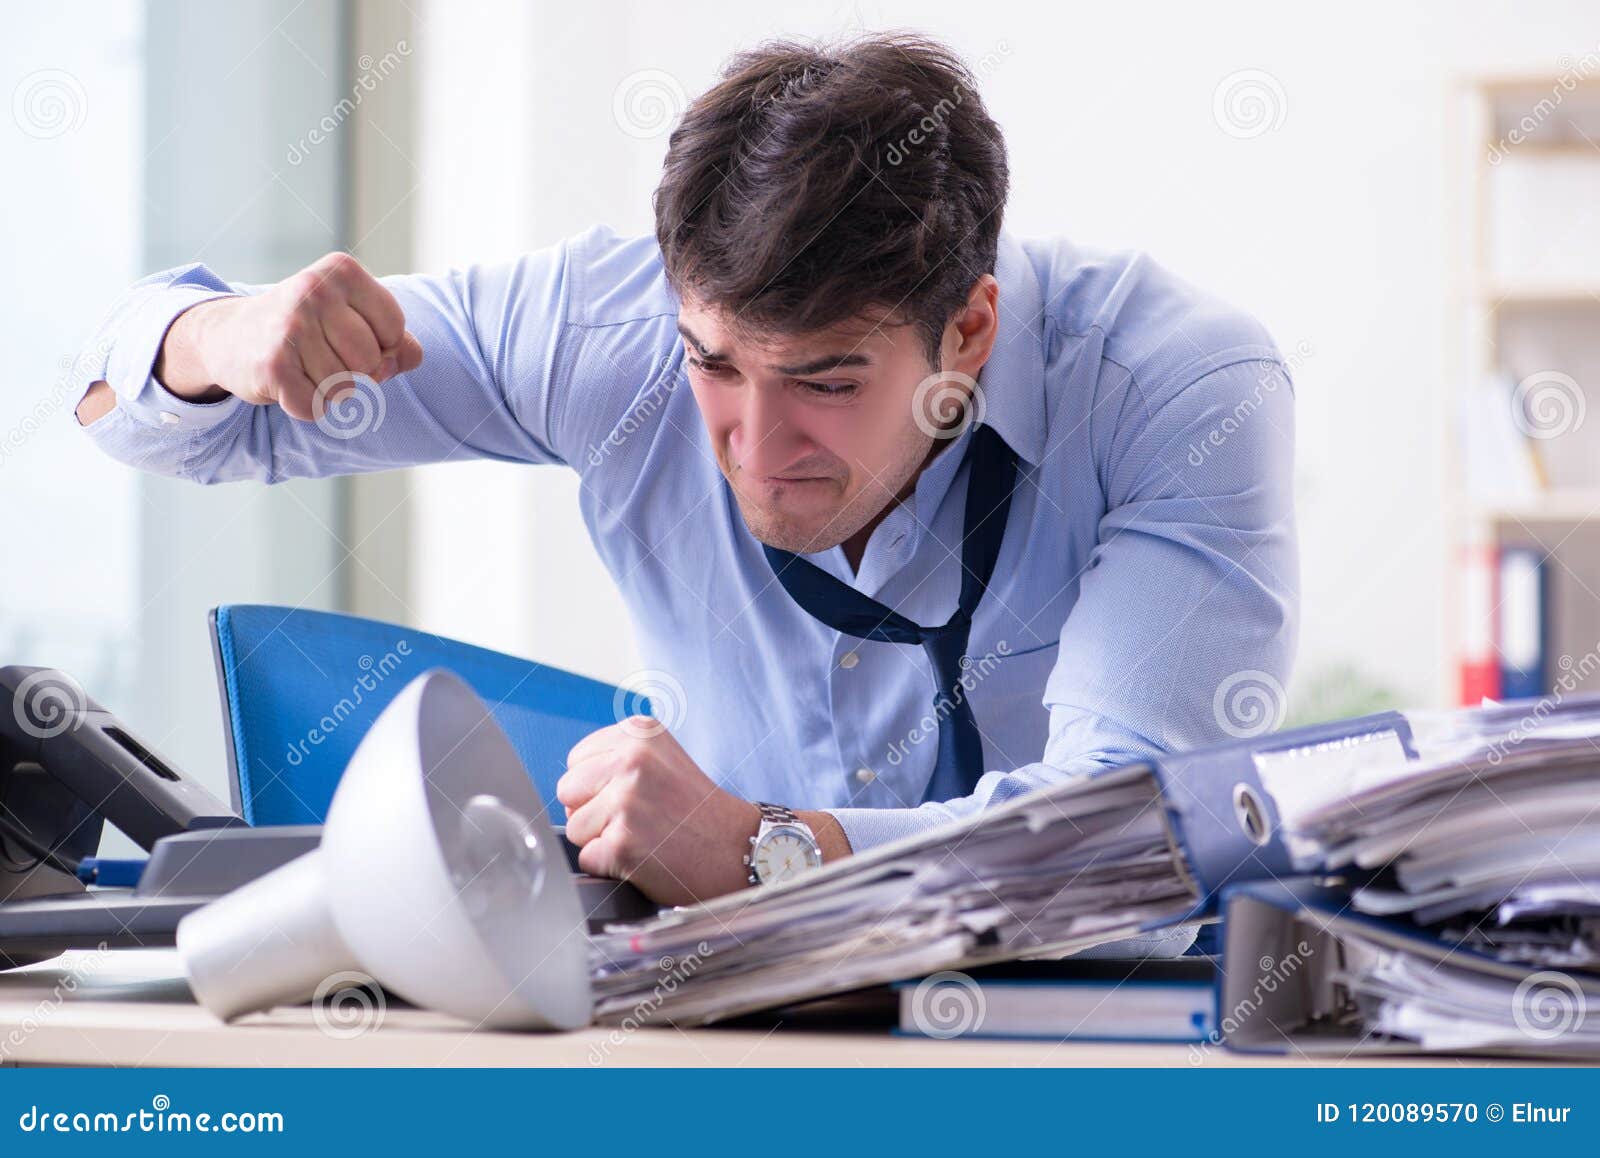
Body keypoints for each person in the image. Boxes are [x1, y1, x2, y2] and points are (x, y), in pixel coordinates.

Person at [72, 33, 1296, 932]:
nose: (756, 452)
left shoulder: (1177, 390)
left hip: (1071, 1053)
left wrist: (771, 853)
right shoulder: (600, 329)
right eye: (713, 366)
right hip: (714, 1046)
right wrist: (215, 339)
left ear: (968, 332)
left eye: (824, 382)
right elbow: (143, 417)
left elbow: (1131, 837)